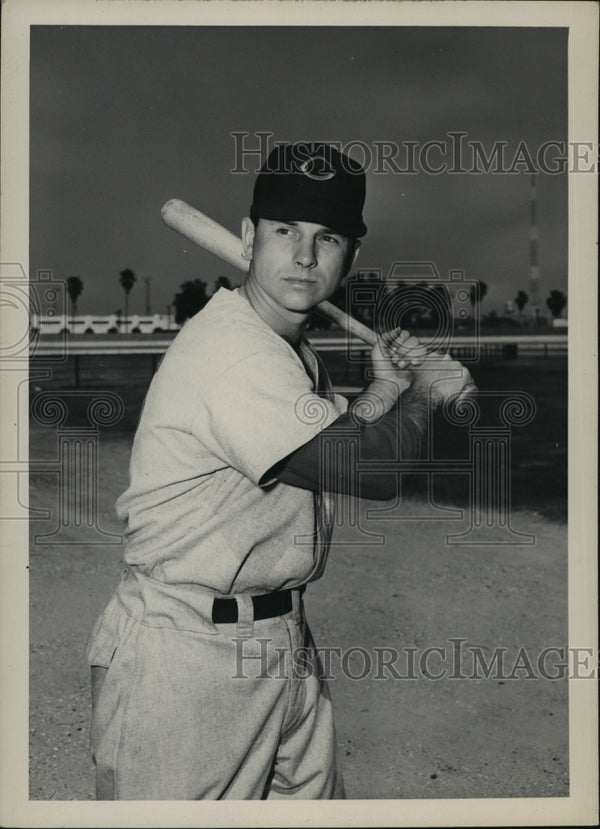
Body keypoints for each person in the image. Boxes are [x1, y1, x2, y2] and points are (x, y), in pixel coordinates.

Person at [87, 142, 474, 800]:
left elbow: (335, 434)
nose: (302, 256)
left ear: (350, 254)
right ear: (247, 237)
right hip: (185, 657)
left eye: (326, 238)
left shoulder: (286, 348)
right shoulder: (233, 350)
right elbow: (369, 468)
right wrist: (421, 394)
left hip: (280, 641)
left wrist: (385, 386)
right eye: (284, 231)